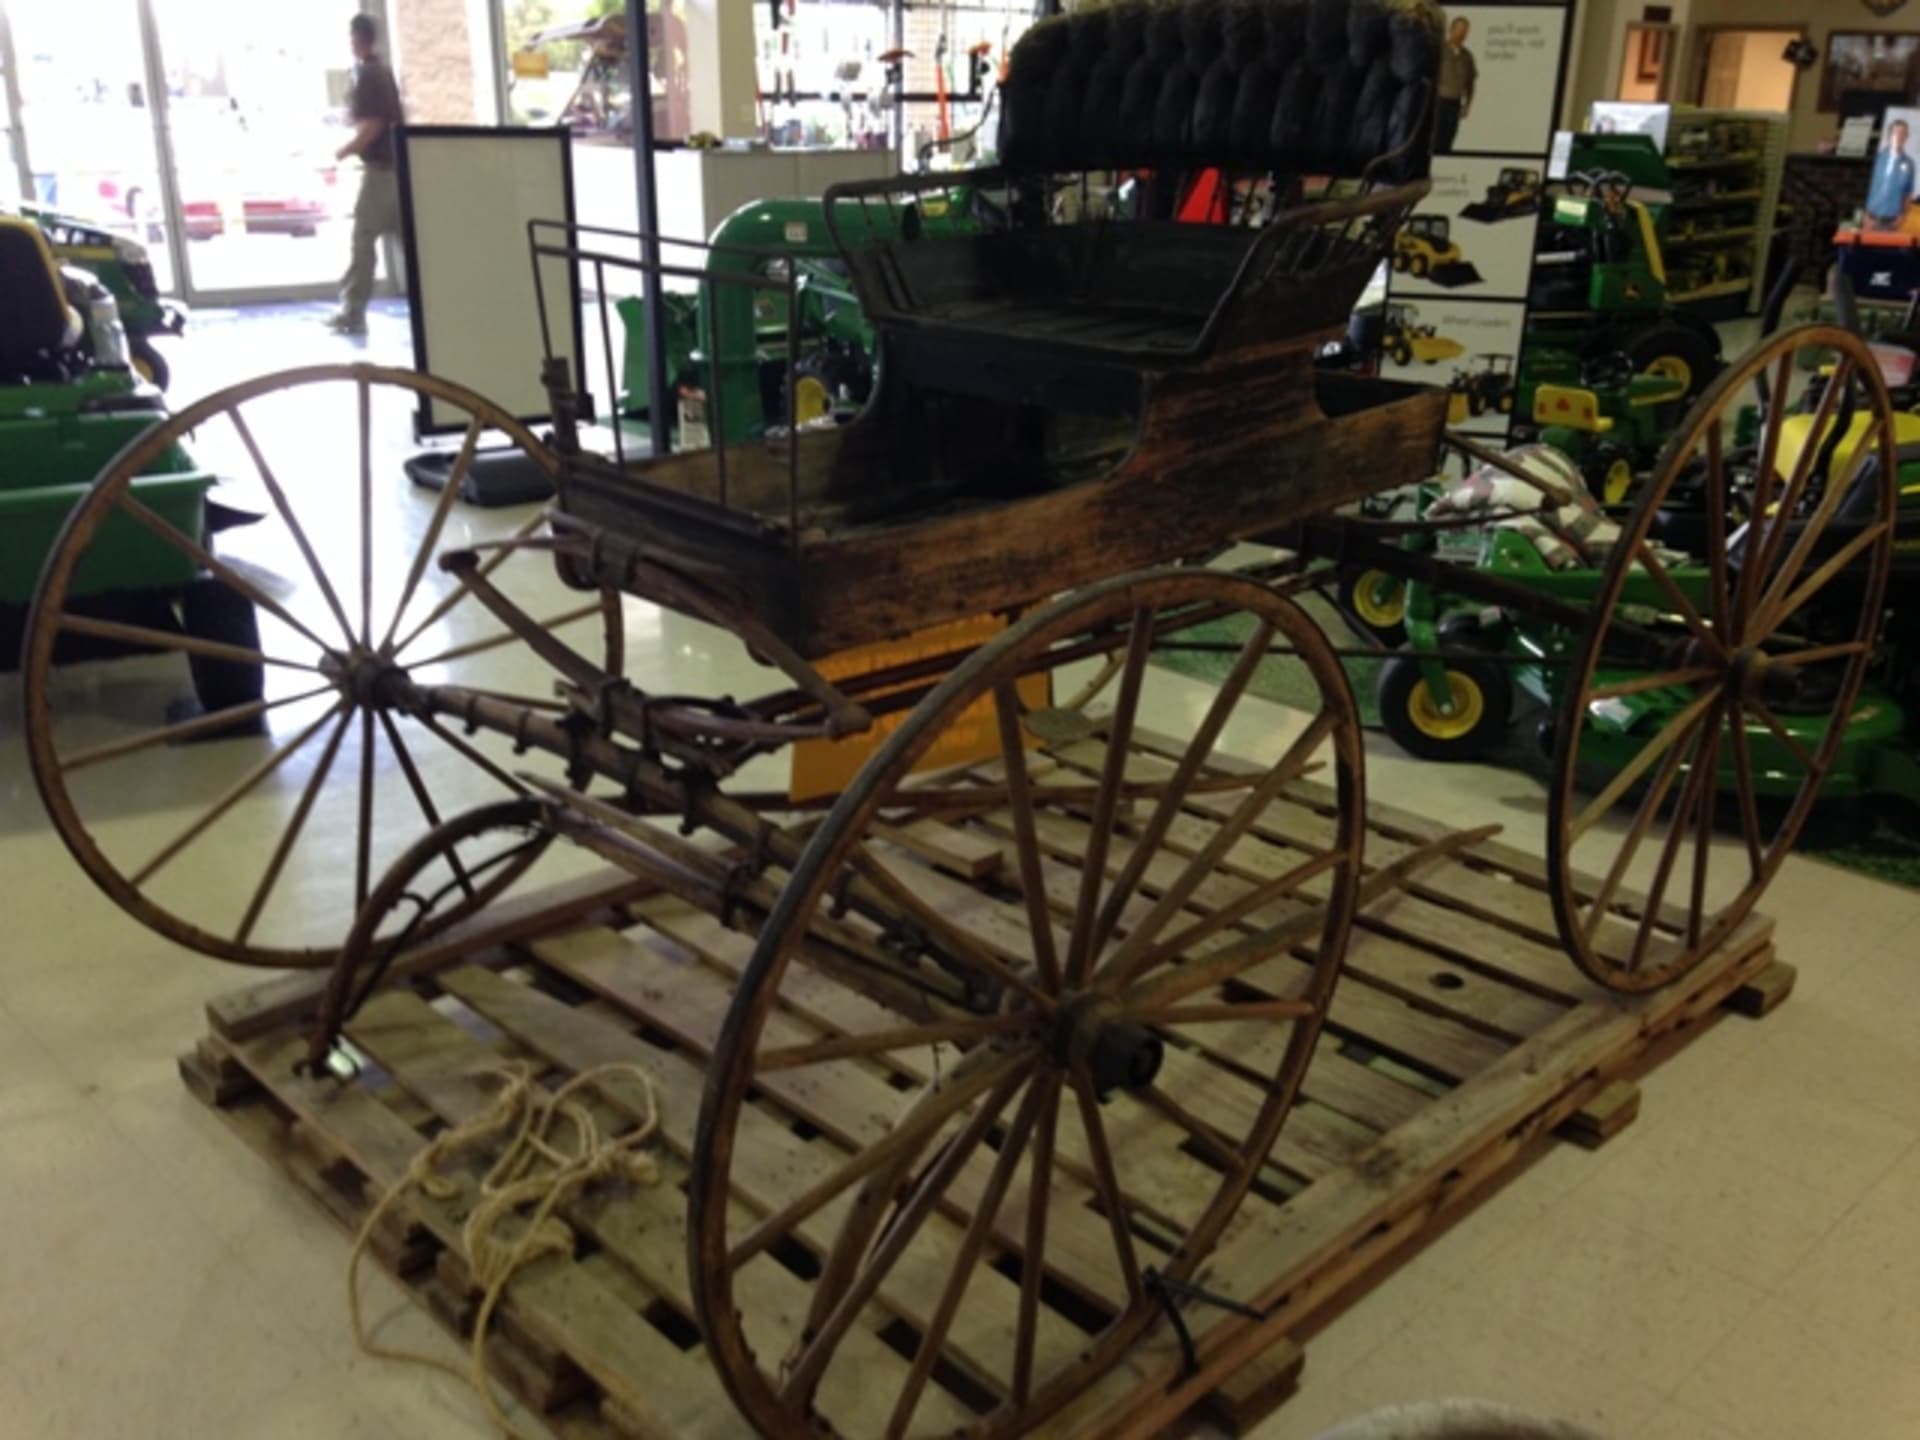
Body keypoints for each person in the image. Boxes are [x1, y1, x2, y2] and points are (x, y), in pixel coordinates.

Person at [327, 14, 406, 335]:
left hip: (381, 172)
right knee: (404, 238)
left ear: (356, 39)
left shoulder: (370, 76)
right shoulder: (380, 73)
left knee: (363, 237)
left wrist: (345, 150)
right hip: (395, 168)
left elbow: (374, 124)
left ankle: (353, 310)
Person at [1434, 16, 1476, 155]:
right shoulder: (1439, 50)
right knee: (1435, 138)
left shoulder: (1467, 56)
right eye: (1459, 30)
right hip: (1438, 101)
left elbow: (1470, 82)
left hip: (1455, 103)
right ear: (1451, 30)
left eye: (1465, 31)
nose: (1462, 34)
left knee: (1449, 138)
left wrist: (1467, 104)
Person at [1865, 118, 1915, 233]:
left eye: (1903, 134)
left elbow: (1908, 193)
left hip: (1893, 222)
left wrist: (1903, 216)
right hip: (1870, 219)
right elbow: (1864, 186)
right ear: (1889, 136)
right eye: (1896, 133)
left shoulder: (1909, 164)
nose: (1899, 136)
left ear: (1906, 137)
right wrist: (1864, 215)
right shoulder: (1876, 159)